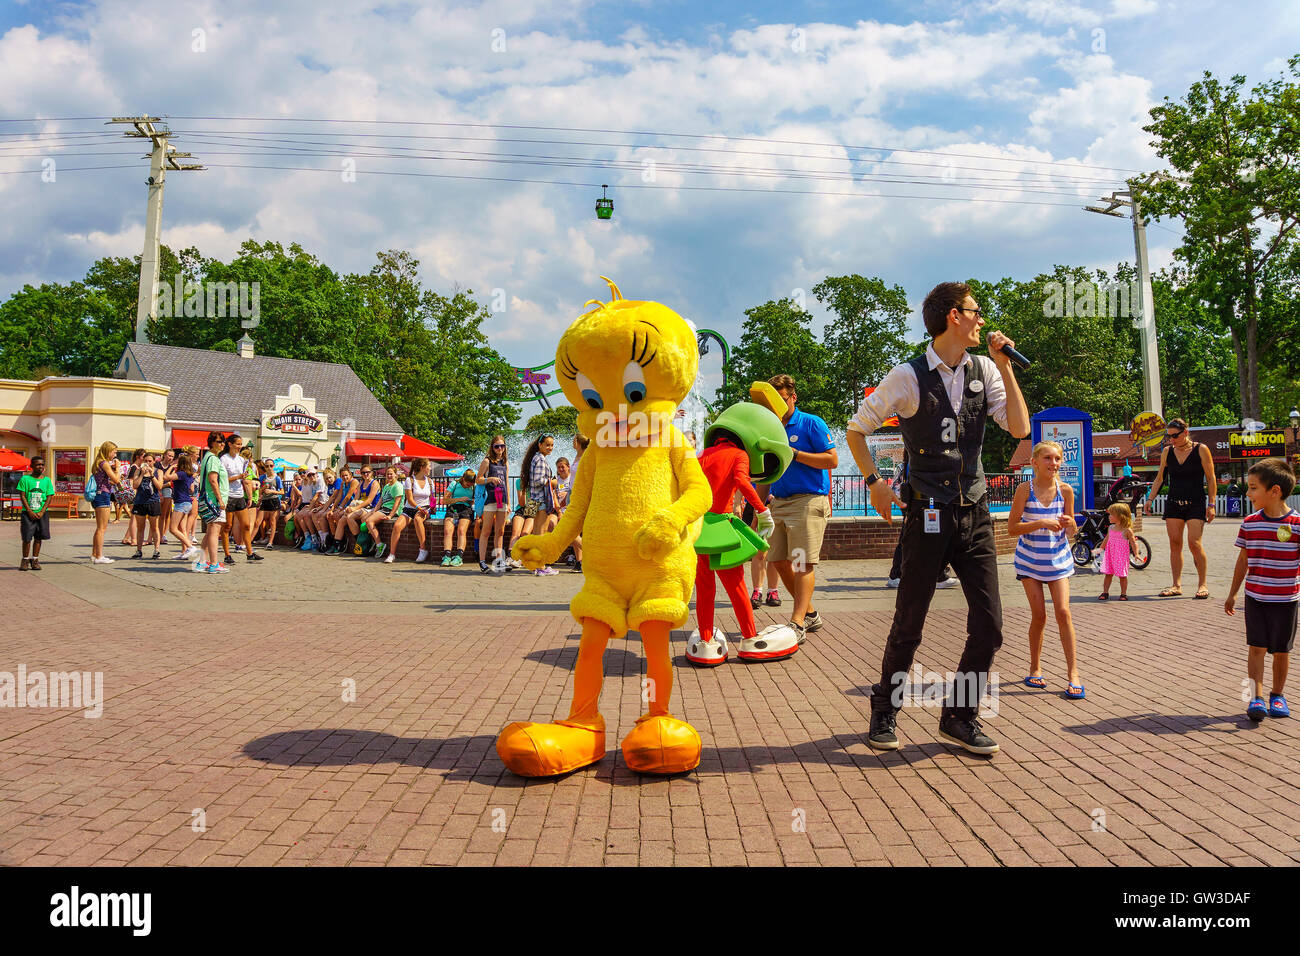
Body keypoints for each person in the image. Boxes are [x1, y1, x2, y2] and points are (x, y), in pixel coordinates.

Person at [847, 281, 1030, 755]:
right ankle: (884, 708)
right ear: (954, 315)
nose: (982, 320)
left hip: (974, 509)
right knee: (911, 619)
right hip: (926, 510)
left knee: (989, 625)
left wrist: (1007, 368)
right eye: (976, 311)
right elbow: (856, 430)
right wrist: (875, 483)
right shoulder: (907, 377)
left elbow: (1019, 428)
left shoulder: (986, 368)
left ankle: (959, 716)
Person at [760, 374, 839, 649]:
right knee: (778, 560)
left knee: (802, 562)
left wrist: (795, 453)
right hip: (779, 502)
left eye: (782, 400)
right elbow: (767, 472)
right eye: (773, 402)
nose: (778, 407)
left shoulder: (810, 423)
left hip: (808, 501)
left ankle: (796, 622)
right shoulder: (770, 427)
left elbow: (832, 459)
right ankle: (810, 614)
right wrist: (758, 508)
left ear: (793, 397)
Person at [1226, 458, 1300, 722]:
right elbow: (1243, 560)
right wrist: (1233, 592)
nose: (1248, 493)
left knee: (1282, 650)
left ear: (1275, 491)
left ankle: (1277, 695)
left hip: (1286, 599)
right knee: (1256, 647)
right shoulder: (1250, 523)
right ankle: (1255, 698)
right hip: (1255, 597)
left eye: (1254, 487)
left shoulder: (1297, 524)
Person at [1009, 441, 1084, 699]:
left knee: (1063, 612)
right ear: (1035, 462)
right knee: (1039, 615)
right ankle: (1035, 668)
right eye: (1048, 459)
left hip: (1058, 559)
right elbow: (1012, 528)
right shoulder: (1024, 490)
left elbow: (1072, 531)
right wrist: (1040, 521)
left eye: (1057, 459)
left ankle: (1073, 673)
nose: (1054, 463)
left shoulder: (1066, 491)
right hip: (1030, 559)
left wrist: (1070, 523)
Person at [1144, 418, 1216, 598]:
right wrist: (1150, 499)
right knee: (1175, 544)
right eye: (1168, 437)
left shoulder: (1201, 449)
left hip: (1196, 502)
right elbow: (1160, 478)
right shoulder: (1167, 452)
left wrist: (1212, 504)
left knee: (1194, 543)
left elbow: (1211, 477)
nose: (1171, 440)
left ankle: (1203, 584)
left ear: (1185, 432)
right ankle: (1176, 585)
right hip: (1174, 502)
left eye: (1174, 436)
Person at [885, 451, 959, 590]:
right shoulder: (911, 463)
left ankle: (938, 574)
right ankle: (897, 575)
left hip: (923, 503)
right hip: (917, 503)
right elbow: (897, 486)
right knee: (909, 539)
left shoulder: (911, 463)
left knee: (932, 538)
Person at [513, 435, 557, 575]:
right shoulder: (539, 459)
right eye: (547, 445)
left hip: (535, 500)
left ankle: (537, 565)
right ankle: (540, 566)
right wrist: (552, 482)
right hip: (541, 501)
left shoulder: (535, 458)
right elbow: (538, 481)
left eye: (551, 445)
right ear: (540, 445)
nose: (550, 448)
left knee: (538, 534)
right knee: (541, 534)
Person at [350, 466, 403, 559]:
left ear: (396, 475)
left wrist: (390, 515)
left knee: (369, 521)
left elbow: (397, 502)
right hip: (383, 508)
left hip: (389, 510)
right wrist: (373, 511)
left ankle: (379, 544)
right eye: (387, 474)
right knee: (365, 518)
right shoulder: (386, 486)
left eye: (391, 474)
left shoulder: (398, 486)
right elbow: (380, 501)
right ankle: (368, 544)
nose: (389, 476)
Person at [195, 431, 230, 574]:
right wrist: (220, 499)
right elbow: (213, 479)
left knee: (210, 531)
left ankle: (201, 562)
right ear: (211, 443)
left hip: (208, 498)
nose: (221, 444)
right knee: (215, 532)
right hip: (214, 500)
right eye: (218, 441)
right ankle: (214, 563)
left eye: (223, 441)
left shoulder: (208, 457)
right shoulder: (213, 459)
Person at [387, 457, 432, 564]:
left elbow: (432, 499)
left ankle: (423, 549)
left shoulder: (430, 481)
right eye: (429, 466)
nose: (430, 468)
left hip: (424, 508)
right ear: (422, 468)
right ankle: (392, 554)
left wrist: (428, 509)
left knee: (417, 519)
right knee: (397, 526)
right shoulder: (409, 480)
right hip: (411, 508)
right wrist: (418, 508)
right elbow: (410, 499)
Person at [476, 435, 511, 573]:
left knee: (500, 531)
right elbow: (478, 479)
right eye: (497, 446)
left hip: (502, 500)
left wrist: (508, 503)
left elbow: (507, 482)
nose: (500, 449)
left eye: (502, 446)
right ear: (492, 447)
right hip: (490, 499)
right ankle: (482, 561)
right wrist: (489, 479)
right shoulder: (487, 461)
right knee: (486, 531)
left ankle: (499, 560)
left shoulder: (505, 462)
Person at [89, 441, 124, 564]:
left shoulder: (97, 463)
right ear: (108, 451)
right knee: (102, 528)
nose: (115, 454)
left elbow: (108, 481)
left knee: (99, 527)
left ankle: (94, 554)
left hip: (98, 495)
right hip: (103, 495)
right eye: (114, 451)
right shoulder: (104, 463)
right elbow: (115, 479)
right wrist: (118, 468)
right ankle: (99, 556)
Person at [17, 454, 54, 571]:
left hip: (42, 514)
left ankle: (35, 559)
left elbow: (49, 496)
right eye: (38, 464)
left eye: (42, 465)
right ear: (32, 466)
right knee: (27, 537)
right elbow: (22, 496)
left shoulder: (47, 480)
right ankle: (25, 560)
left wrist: (42, 511)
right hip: (27, 514)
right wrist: (29, 510)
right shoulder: (25, 479)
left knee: (39, 537)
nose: (40, 467)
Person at [1097, 502, 1138, 600]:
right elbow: (1107, 539)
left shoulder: (1127, 530)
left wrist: (1136, 554)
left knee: (1122, 575)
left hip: (1121, 556)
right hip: (1110, 555)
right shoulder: (1111, 528)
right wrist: (1100, 549)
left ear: (1120, 516)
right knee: (1108, 574)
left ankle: (1123, 594)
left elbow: (1133, 542)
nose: (1109, 516)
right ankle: (1105, 592)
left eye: (1112, 514)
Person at [439, 467, 477, 565]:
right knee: (448, 531)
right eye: (468, 483)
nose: (469, 485)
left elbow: (477, 500)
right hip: (453, 508)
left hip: (466, 509)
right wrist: (459, 499)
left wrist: (472, 501)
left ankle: (459, 556)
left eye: (471, 484)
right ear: (463, 479)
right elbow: (444, 500)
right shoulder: (454, 484)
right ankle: (447, 555)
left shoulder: (474, 487)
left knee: (461, 530)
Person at [130, 452, 163, 559]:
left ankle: (156, 550)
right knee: (140, 527)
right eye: (146, 461)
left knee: (154, 527)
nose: (148, 463)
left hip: (153, 501)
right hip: (140, 502)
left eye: (150, 461)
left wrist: (152, 475)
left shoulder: (159, 471)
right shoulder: (138, 470)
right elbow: (135, 485)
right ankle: (139, 550)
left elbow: (159, 486)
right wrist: (141, 474)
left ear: (154, 461)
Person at [168, 452, 199, 559]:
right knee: (183, 529)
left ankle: (190, 547)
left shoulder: (181, 474)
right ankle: (184, 551)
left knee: (173, 529)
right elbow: (191, 489)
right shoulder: (190, 475)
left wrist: (171, 467)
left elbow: (167, 477)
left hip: (181, 503)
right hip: (187, 502)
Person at [120, 448, 145, 546]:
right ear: (138, 457)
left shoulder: (135, 467)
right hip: (134, 494)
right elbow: (130, 482)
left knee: (134, 517)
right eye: (143, 456)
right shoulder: (135, 467)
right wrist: (134, 495)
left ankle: (126, 538)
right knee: (134, 518)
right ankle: (134, 540)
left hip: (133, 494)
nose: (144, 458)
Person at [156, 449, 176, 544]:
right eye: (169, 455)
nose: (170, 457)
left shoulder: (172, 467)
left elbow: (170, 482)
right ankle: (158, 534)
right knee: (159, 514)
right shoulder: (158, 465)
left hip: (167, 490)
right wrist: (162, 486)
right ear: (164, 455)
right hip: (157, 489)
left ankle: (163, 534)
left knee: (166, 513)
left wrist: (164, 485)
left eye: (172, 456)